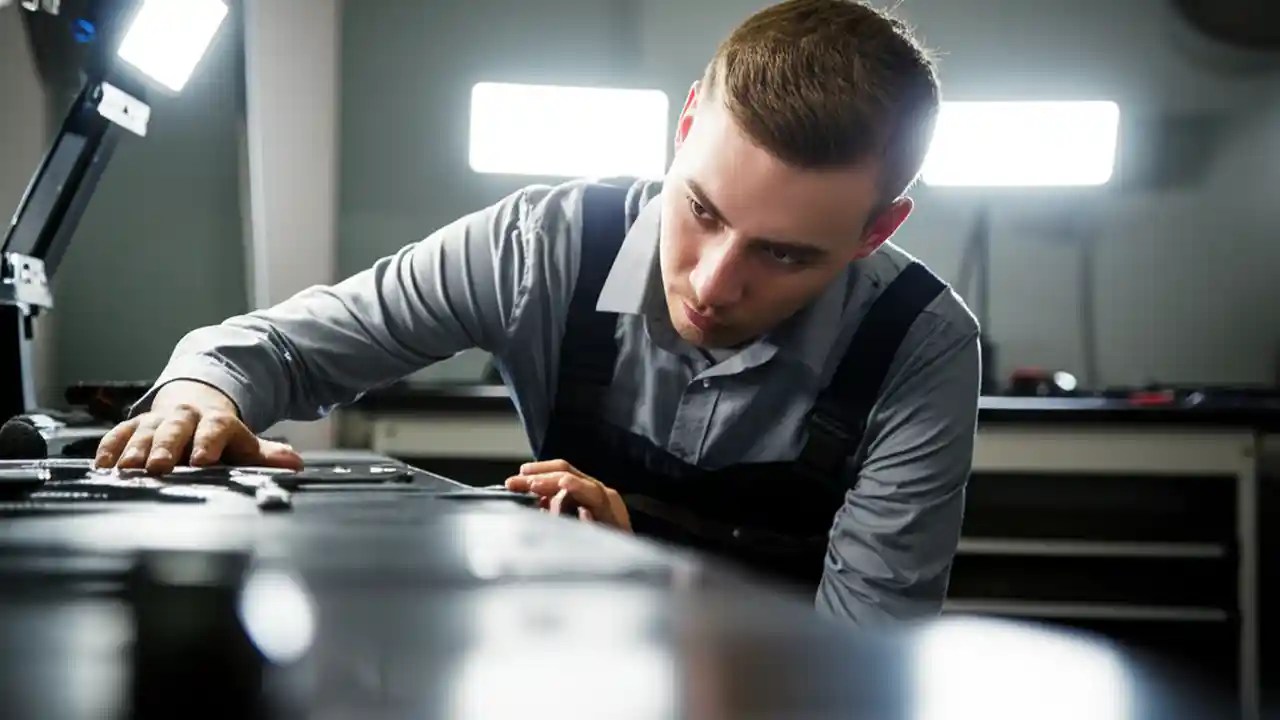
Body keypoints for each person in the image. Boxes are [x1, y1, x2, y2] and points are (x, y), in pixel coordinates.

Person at [94, 0, 980, 626]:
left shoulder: (922, 348)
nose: (712, 284)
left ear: (877, 229)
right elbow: (277, 348)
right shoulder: (541, 247)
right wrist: (199, 397)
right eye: (701, 210)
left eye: (785, 254)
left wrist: (660, 561)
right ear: (687, 128)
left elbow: (867, 656)